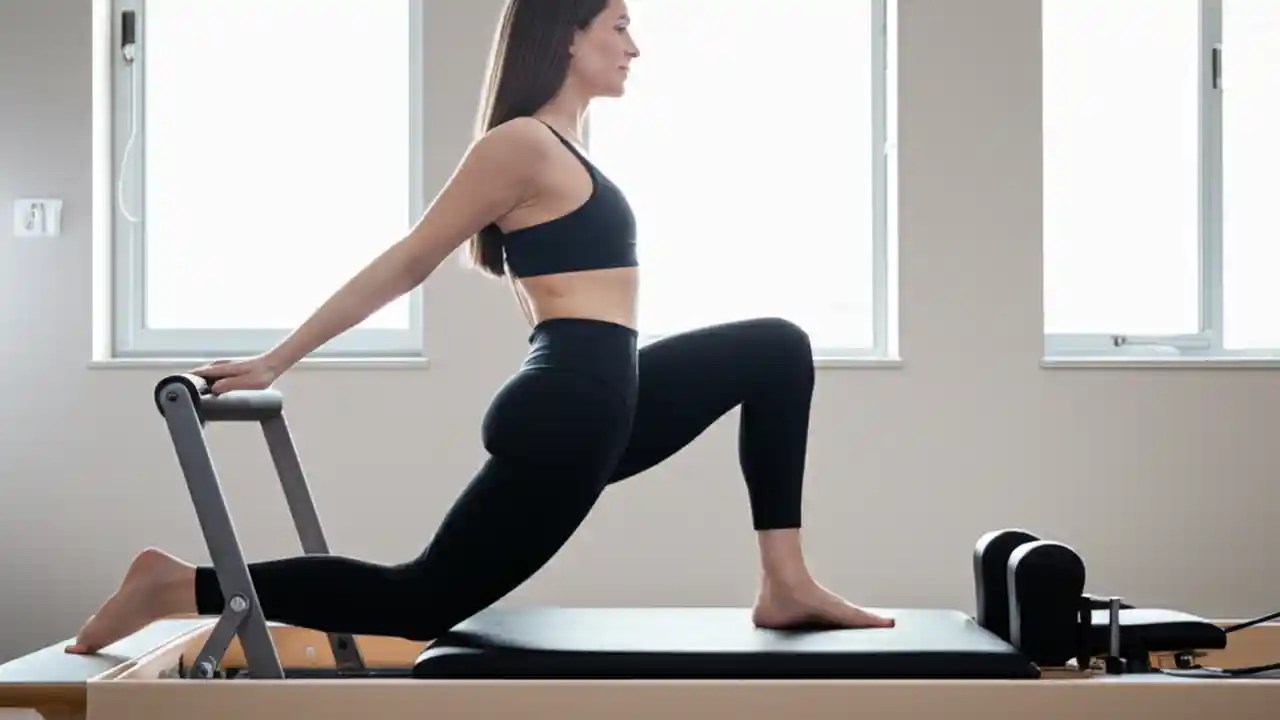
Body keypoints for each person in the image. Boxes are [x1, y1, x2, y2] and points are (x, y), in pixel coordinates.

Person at [66, 0, 893, 655]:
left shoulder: (567, 144)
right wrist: (278, 359)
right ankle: (178, 585)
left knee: (777, 349)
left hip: (606, 390)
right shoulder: (522, 144)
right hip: (575, 401)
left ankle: (784, 581)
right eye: (620, 25)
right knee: (420, 600)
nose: (634, 46)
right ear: (567, 37)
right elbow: (408, 259)